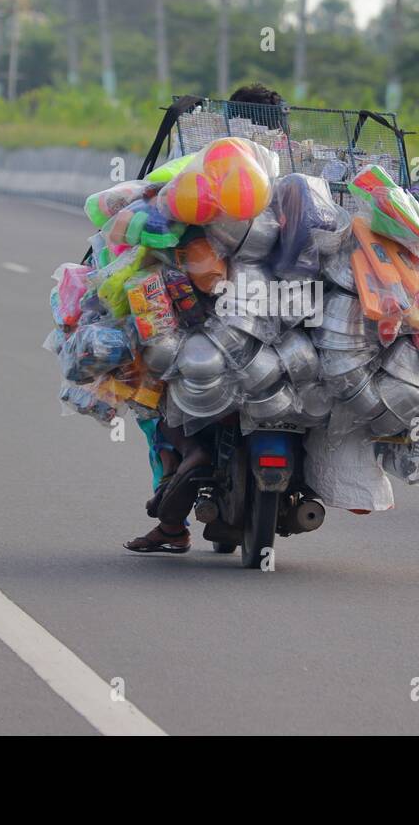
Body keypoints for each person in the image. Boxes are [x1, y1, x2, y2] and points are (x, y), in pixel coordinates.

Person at [124, 83, 286, 553]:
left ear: (231, 118)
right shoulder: (302, 164)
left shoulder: (212, 159)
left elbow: (162, 213)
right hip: (288, 307)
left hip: (213, 304)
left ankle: (173, 516)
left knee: (155, 394)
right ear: (282, 122)